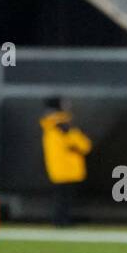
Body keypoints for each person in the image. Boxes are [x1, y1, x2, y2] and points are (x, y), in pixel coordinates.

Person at [40, 98, 92, 228]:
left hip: (61, 167)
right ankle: (61, 221)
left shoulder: (51, 126)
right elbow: (84, 145)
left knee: (63, 198)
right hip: (67, 167)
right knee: (64, 198)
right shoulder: (63, 127)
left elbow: (83, 146)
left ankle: (61, 220)